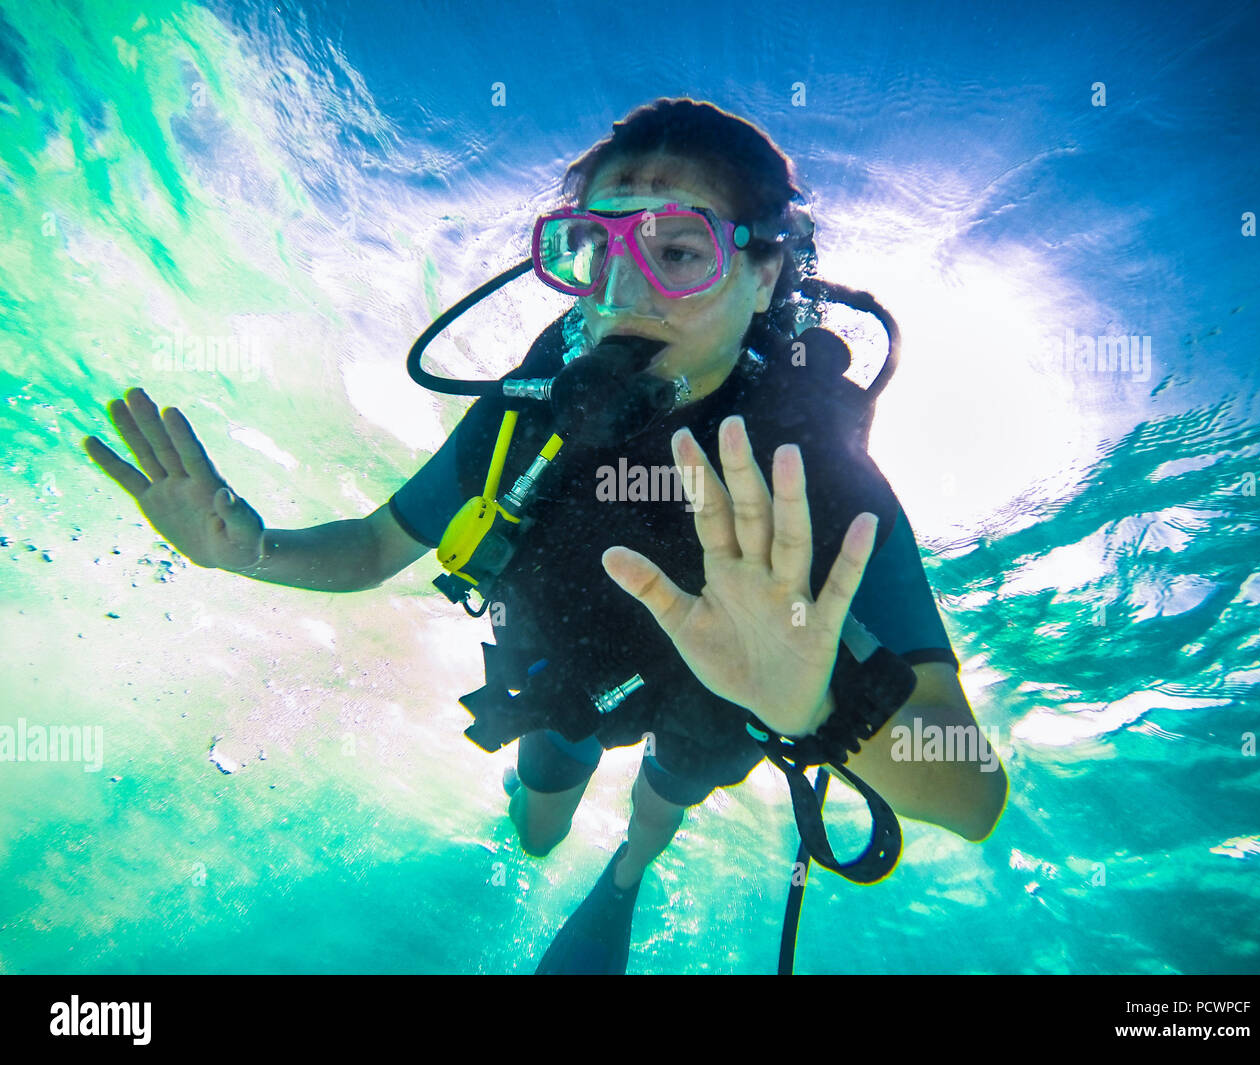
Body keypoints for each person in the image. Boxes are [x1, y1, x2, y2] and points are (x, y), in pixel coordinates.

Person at [83, 98, 1008, 975]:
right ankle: (573, 839)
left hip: (722, 708)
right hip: (561, 680)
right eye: (591, 251)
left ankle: (628, 876)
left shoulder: (825, 479)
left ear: (764, 275)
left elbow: (973, 796)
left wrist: (820, 707)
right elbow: (373, 548)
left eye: (677, 251)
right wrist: (251, 552)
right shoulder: (526, 419)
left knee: (662, 804)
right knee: (536, 829)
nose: (620, 292)